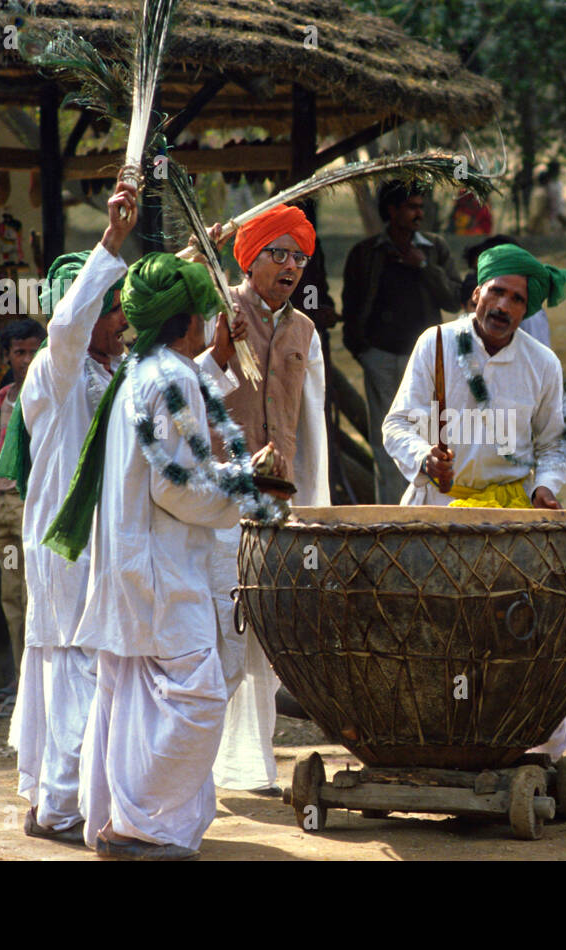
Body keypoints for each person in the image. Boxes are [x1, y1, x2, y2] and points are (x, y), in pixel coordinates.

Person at [50, 252, 270, 860]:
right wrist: (245, 485)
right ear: (188, 321)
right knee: (197, 697)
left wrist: (234, 472)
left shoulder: (142, 370)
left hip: (136, 562)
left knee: (129, 699)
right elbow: (173, 485)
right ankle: (144, 829)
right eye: (203, 313)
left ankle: (122, 820)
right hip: (158, 569)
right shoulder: (166, 378)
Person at [382, 243, 566, 756]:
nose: (504, 306)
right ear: (476, 295)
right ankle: (426, 743)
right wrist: (425, 457)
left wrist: (544, 488)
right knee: (428, 635)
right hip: (436, 513)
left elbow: (558, 444)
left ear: (527, 310)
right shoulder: (436, 345)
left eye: (517, 299)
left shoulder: (543, 365)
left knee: (513, 634)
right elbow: (396, 424)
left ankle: (528, 747)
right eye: (497, 292)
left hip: (507, 519)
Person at [0, 180, 137, 843]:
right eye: (113, 308)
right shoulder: (58, 369)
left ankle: (62, 797)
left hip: (98, 545)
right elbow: (71, 324)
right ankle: (58, 808)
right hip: (64, 545)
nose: (120, 320)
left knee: (73, 669)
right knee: (73, 668)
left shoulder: (114, 370)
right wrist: (110, 239)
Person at [207, 205, 330, 795]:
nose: (290, 266)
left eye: (299, 257)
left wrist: (313, 503)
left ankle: (248, 762)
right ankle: (196, 757)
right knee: (215, 623)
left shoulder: (305, 331)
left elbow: (312, 428)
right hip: (212, 499)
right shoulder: (215, 307)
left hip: (276, 505)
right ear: (248, 257)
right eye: (277, 254)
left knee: (262, 633)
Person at [342, 179, 464, 503]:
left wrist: (423, 266)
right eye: (411, 207)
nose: (418, 213)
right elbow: (351, 306)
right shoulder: (366, 253)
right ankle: (391, 521)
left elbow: (454, 299)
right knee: (387, 441)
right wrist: (364, 352)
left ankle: (423, 519)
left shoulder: (434, 248)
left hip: (428, 361)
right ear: (391, 210)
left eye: (421, 207)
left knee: (429, 439)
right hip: (381, 358)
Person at [0, 318, 47, 719]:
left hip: (33, 504)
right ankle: (19, 676)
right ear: (7, 355)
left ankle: (33, 685)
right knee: (11, 594)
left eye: (31, 351)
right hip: (5, 510)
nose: (25, 360)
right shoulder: (4, 397)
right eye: (18, 352)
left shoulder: (45, 391)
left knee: (33, 594)